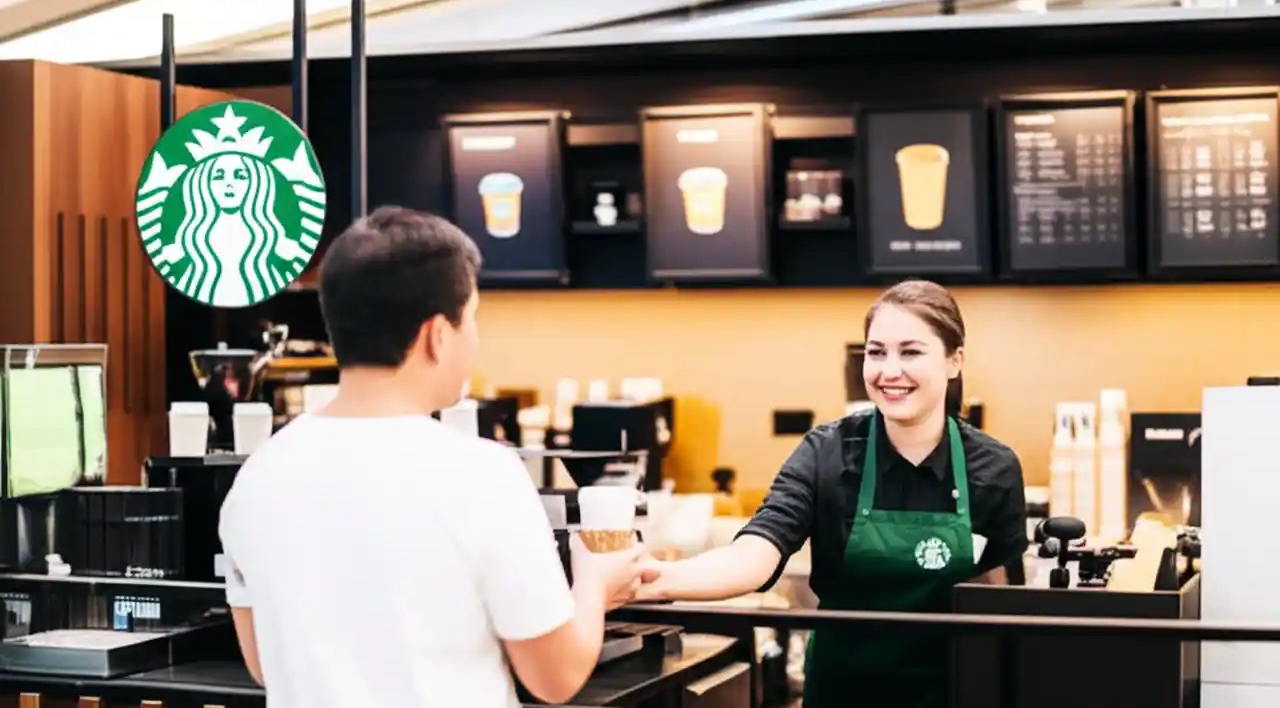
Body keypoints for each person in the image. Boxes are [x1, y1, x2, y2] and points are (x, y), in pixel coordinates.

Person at [218, 206, 649, 707]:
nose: (476, 340)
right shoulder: (482, 475)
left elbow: (262, 664)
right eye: (473, 319)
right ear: (438, 335)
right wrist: (595, 583)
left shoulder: (259, 476)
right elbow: (556, 678)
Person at [636, 279, 1028, 707]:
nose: (888, 370)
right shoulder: (827, 452)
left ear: (955, 361)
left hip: (950, 692)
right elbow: (757, 552)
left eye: (911, 351)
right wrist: (656, 580)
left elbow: (1004, 602)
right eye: (876, 352)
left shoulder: (993, 469)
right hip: (842, 692)